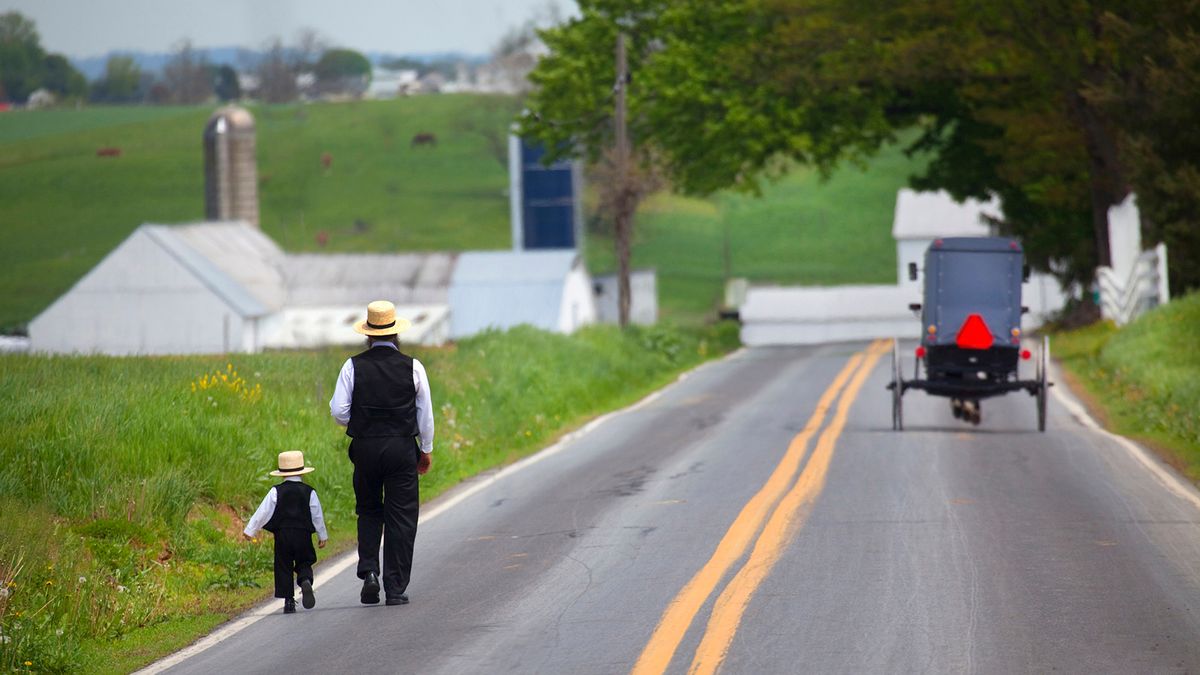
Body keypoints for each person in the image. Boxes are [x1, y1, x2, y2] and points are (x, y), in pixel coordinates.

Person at [330, 300, 434, 606]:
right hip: (402, 448)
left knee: (369, 510)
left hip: (365, 447)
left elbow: (338, 411)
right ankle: (396, 587)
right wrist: (425, 450)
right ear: (396, 334)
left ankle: (370, 571)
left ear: (368, 335)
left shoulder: (352, 366)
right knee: (401, 517)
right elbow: (424, 414)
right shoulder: (413, 366)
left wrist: (362, 423)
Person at [243, 450, 329, 614]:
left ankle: (289, 601)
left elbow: (263, 512)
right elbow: (316, 514)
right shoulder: (309, 491)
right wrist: (322, 535)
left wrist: (250, 530)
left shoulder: (276, 491)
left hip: (282, 534)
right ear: (302, 473)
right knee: (304, 561)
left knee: (283, 564)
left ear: (282, 474)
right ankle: (305, 580)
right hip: (303, 534)